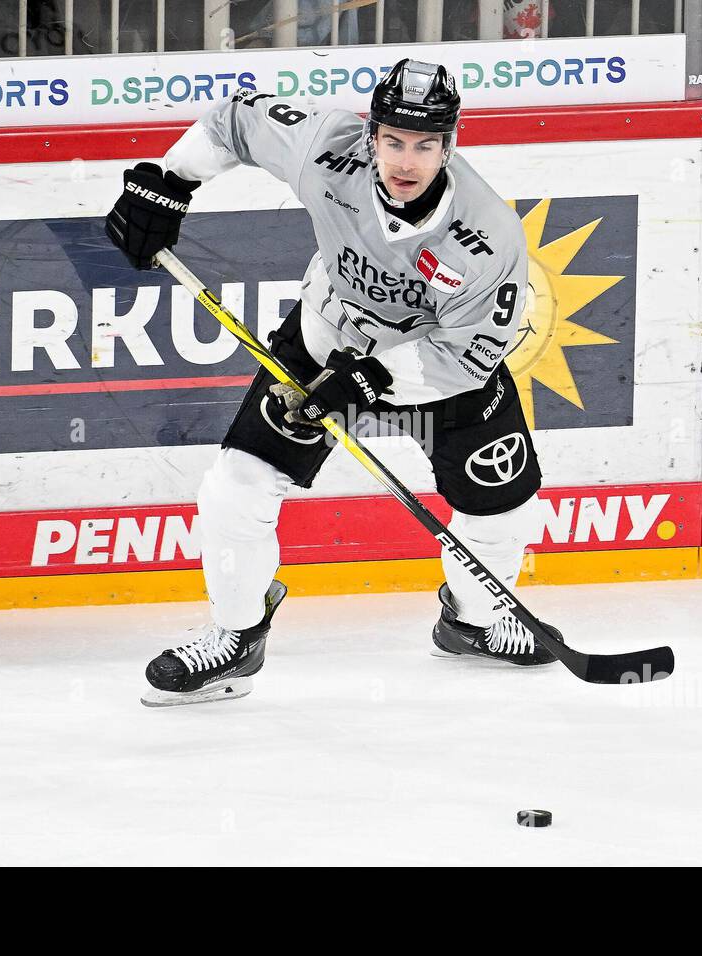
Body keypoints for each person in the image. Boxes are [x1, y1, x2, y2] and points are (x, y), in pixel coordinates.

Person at [105, 59, 561, 706]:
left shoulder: (485, 235)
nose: (407, 161)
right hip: (327, 337)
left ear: (449, 145)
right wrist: (164, 183)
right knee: (235, 488)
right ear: (371, 134)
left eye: (425, 145)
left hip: (439, 374)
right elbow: (236, 119)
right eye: (394, 140)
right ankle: (236, 639)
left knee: (501, 508)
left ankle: (474, 623)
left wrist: (371, 378)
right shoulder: (327, 149)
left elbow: (473, 349)